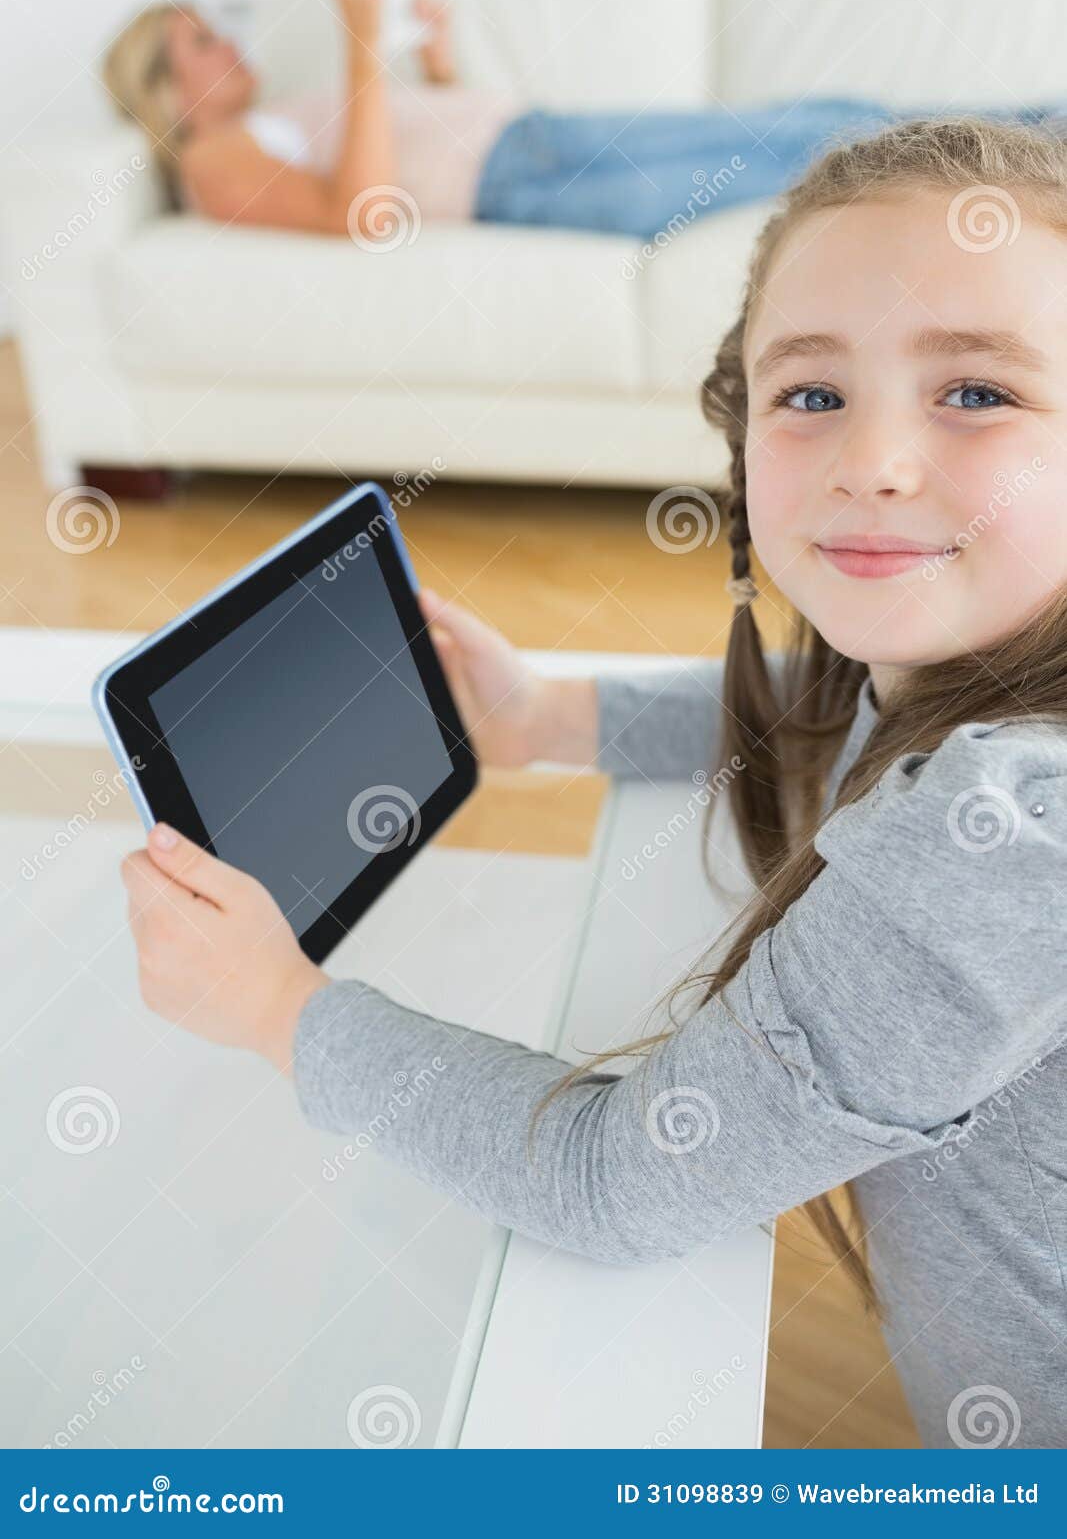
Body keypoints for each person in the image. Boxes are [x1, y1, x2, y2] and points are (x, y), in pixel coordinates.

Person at [120, 115, 1067, 1449]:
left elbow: (615, 1179)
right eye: (809, 393)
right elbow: (826, 713)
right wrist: (548, 713)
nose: (872, 460)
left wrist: (280, 1007)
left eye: (973, 391)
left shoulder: (1009, 836)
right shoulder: (948, 667)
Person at [103, 0, 991, 242]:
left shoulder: (282, 108)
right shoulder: (209, 161)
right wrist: (363, 42)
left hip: (532, 137)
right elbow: (364, 212)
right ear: (164, 85)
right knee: (817, 146)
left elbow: (403, 142)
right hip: (523, 184)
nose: (228, 43)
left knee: (825, 111)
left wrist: (437, 66)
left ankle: (1032, 133)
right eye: (200, 41)